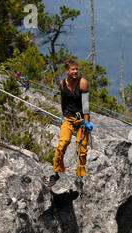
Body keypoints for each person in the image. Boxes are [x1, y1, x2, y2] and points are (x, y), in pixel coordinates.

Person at [49, 59, 93, 188]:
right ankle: (56, 172)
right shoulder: (63, 84)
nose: (75, 72)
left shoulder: (83, 83)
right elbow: (63, 100)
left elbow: (85, 104)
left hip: (81, 120)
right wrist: (63, 116)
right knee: (62, 143)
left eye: (76, 69)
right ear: (67, 71)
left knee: (82, 148)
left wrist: (86, 122)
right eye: (73, 69)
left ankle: (79, 176)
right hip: (68, 118)